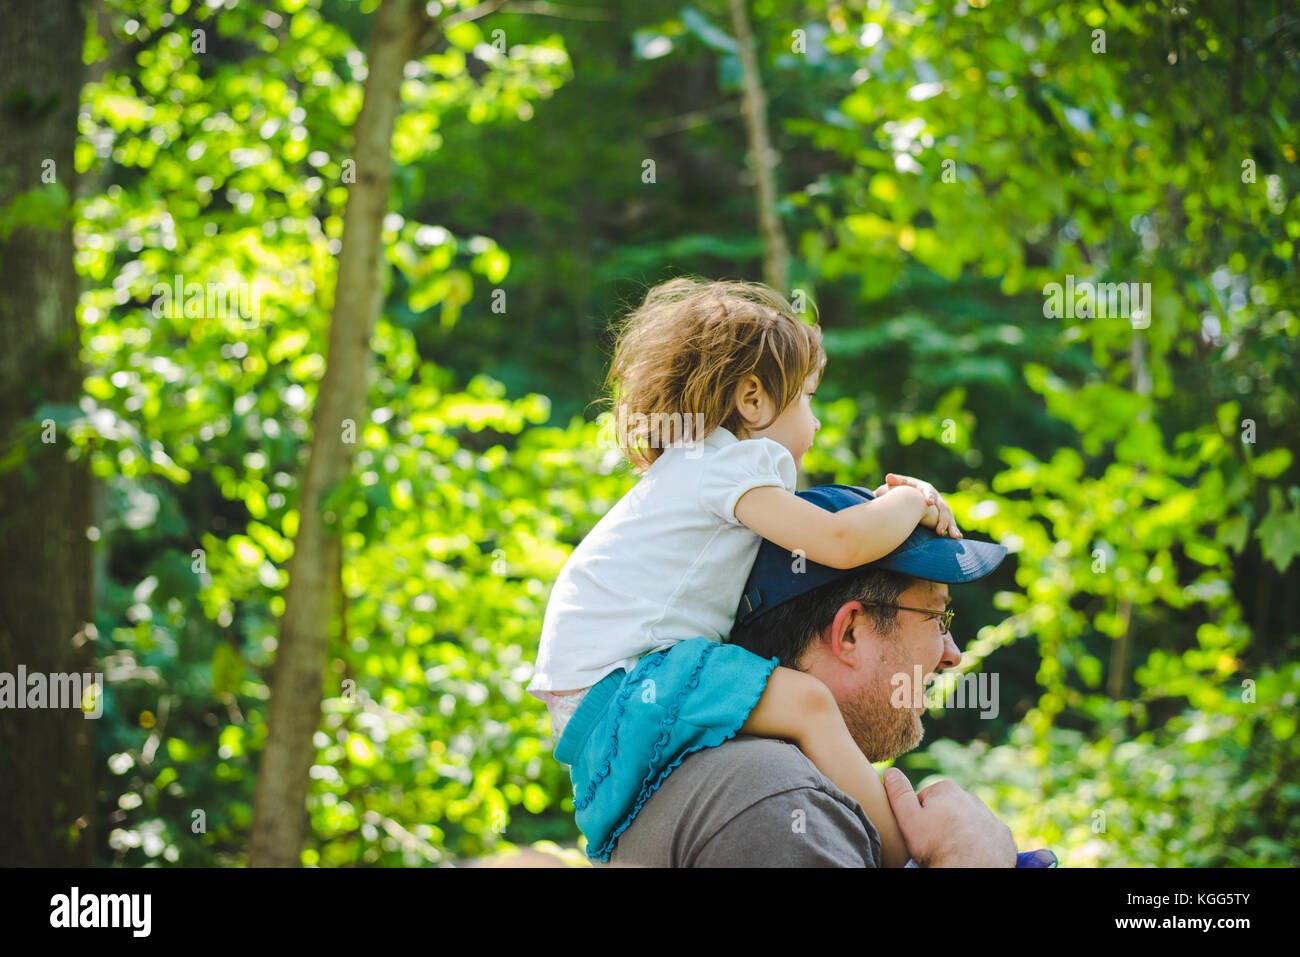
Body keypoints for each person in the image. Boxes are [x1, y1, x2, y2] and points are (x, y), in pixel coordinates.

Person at [527, 277, 978, 865]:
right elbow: (841, 542)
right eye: (807, 399)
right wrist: (911, 500)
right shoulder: (730, 462)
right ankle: (903, 852)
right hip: (624, 676)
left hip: (595, 691)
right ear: (754, 400)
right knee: (808, 703)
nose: (813, 424)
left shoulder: (690, 471)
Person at [608, 484, 1050, 867]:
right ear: (850, 633)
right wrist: (971, 857)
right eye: (937, 617)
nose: (952, 655)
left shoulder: (729, 776)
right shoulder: (781, 799)